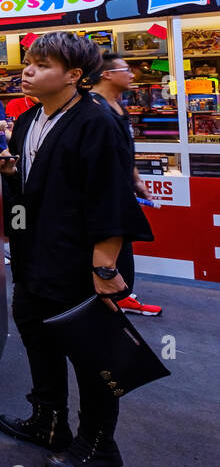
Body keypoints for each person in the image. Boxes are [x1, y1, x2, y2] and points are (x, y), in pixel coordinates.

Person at [0, 32, 153, 467]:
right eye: (28, 62)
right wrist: (12, 178)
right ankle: (49, 421)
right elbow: (30, 195)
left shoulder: (94, 121)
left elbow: (110, 199)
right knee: (37, 338)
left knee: (91, 356)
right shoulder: (27, 122)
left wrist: (104, 268)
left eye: (41, 65)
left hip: (81, 264)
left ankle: (100, 445)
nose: (27, 71)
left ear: (74, 75)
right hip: (36, 259)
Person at [88, 54, 161, 317]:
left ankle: (121, 295)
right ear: (106, 74)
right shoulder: (93, 110)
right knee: (107, 252)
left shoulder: (117, 106)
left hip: (120, 194)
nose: (131, 74)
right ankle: (111, 297)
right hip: (105, 200)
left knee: (123, 250)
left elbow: (124, 150)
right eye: (125, 69)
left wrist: (136, 179)